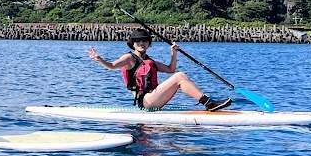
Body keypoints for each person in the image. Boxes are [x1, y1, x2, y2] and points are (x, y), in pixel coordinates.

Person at [88, 29, 232, 111]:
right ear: (133, 44)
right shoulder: (129, 58)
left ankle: (209, 103)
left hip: (154, 99)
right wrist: (100, 60)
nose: (141, 43)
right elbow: (112, 66)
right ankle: (209, 103)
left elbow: (170, 69)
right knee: (180, 75)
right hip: (144, 101)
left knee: (179, 75)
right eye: (138, 41)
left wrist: (174, 53)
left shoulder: (150, 61)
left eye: (144, 41)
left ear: (149, 43)